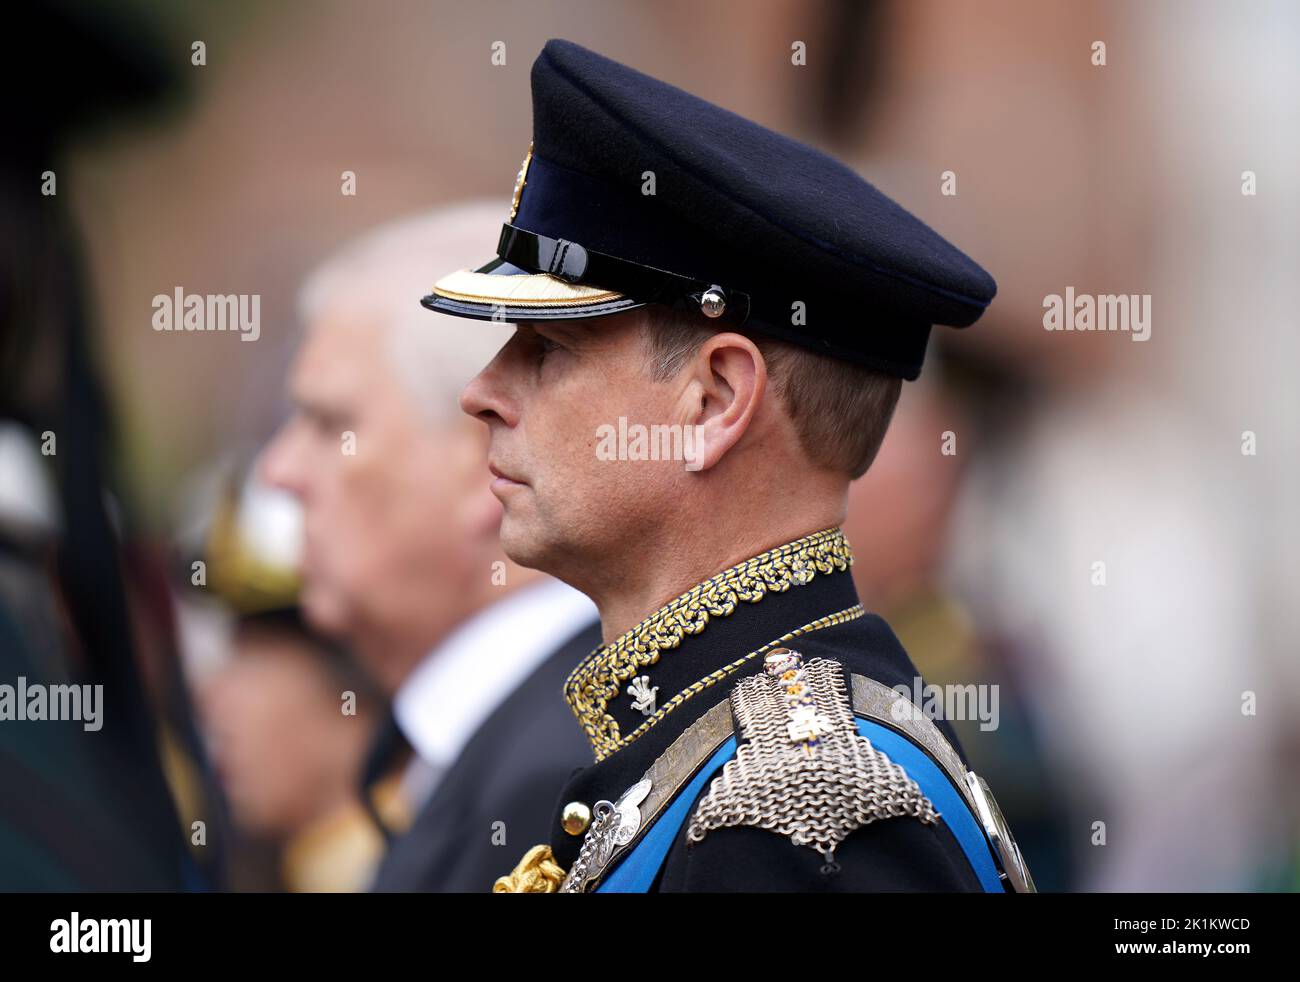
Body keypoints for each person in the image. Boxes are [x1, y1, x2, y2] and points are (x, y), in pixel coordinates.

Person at [424, 39, 1034, 892]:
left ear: (713, 402)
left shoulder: (794, 804)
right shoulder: (713, 745)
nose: (481, 393)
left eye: (549, 349)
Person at [259, 202, 598, 891]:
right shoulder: (500, 739)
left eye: (331, 424)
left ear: (489, 459)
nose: (279, 471)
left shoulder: (560, 773)